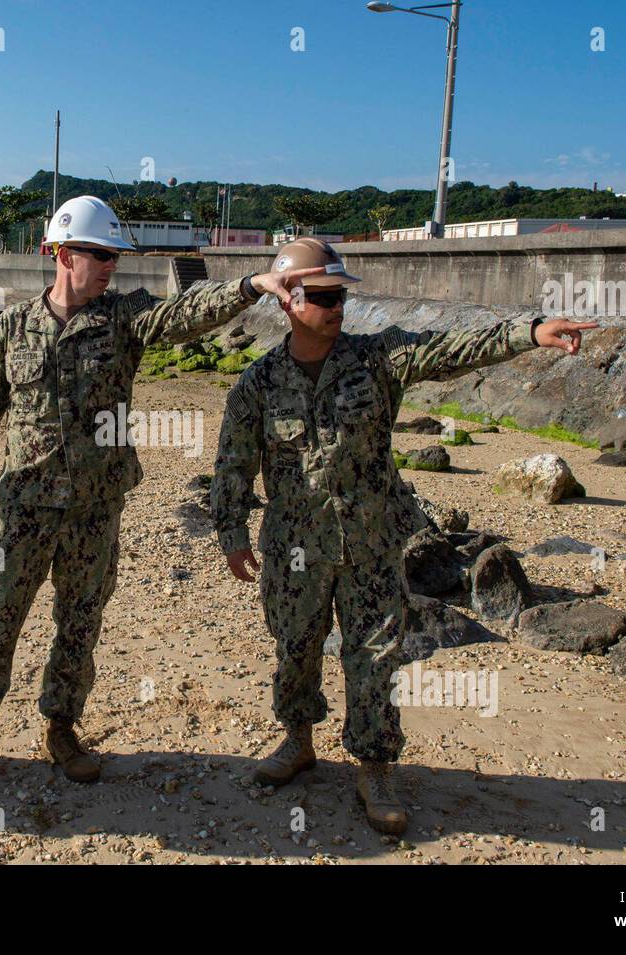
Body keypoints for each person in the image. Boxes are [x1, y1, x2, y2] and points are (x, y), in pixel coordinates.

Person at [0, 195, 324, 791]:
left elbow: (187, 312)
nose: (111, 264)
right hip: (22, 508)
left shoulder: (124, 320)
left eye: (115, 254)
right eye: (99, 253)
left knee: (80, 624)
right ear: (62, 254)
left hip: (95, 510)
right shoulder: (11, 328)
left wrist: (250, 285)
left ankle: (61, 728)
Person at [210, 237, 597, 834]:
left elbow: (452, 348)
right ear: (288, 300)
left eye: (340, 295)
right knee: (295, 649)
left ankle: (376, 764)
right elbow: (233, 463)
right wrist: (231, 530)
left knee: (374, 656)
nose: (337, 307)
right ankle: (297, 739)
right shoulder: (258, 384)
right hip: (293, 550)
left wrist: (531, 330)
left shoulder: (376, 358)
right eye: (322, 296)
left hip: (370, 545)